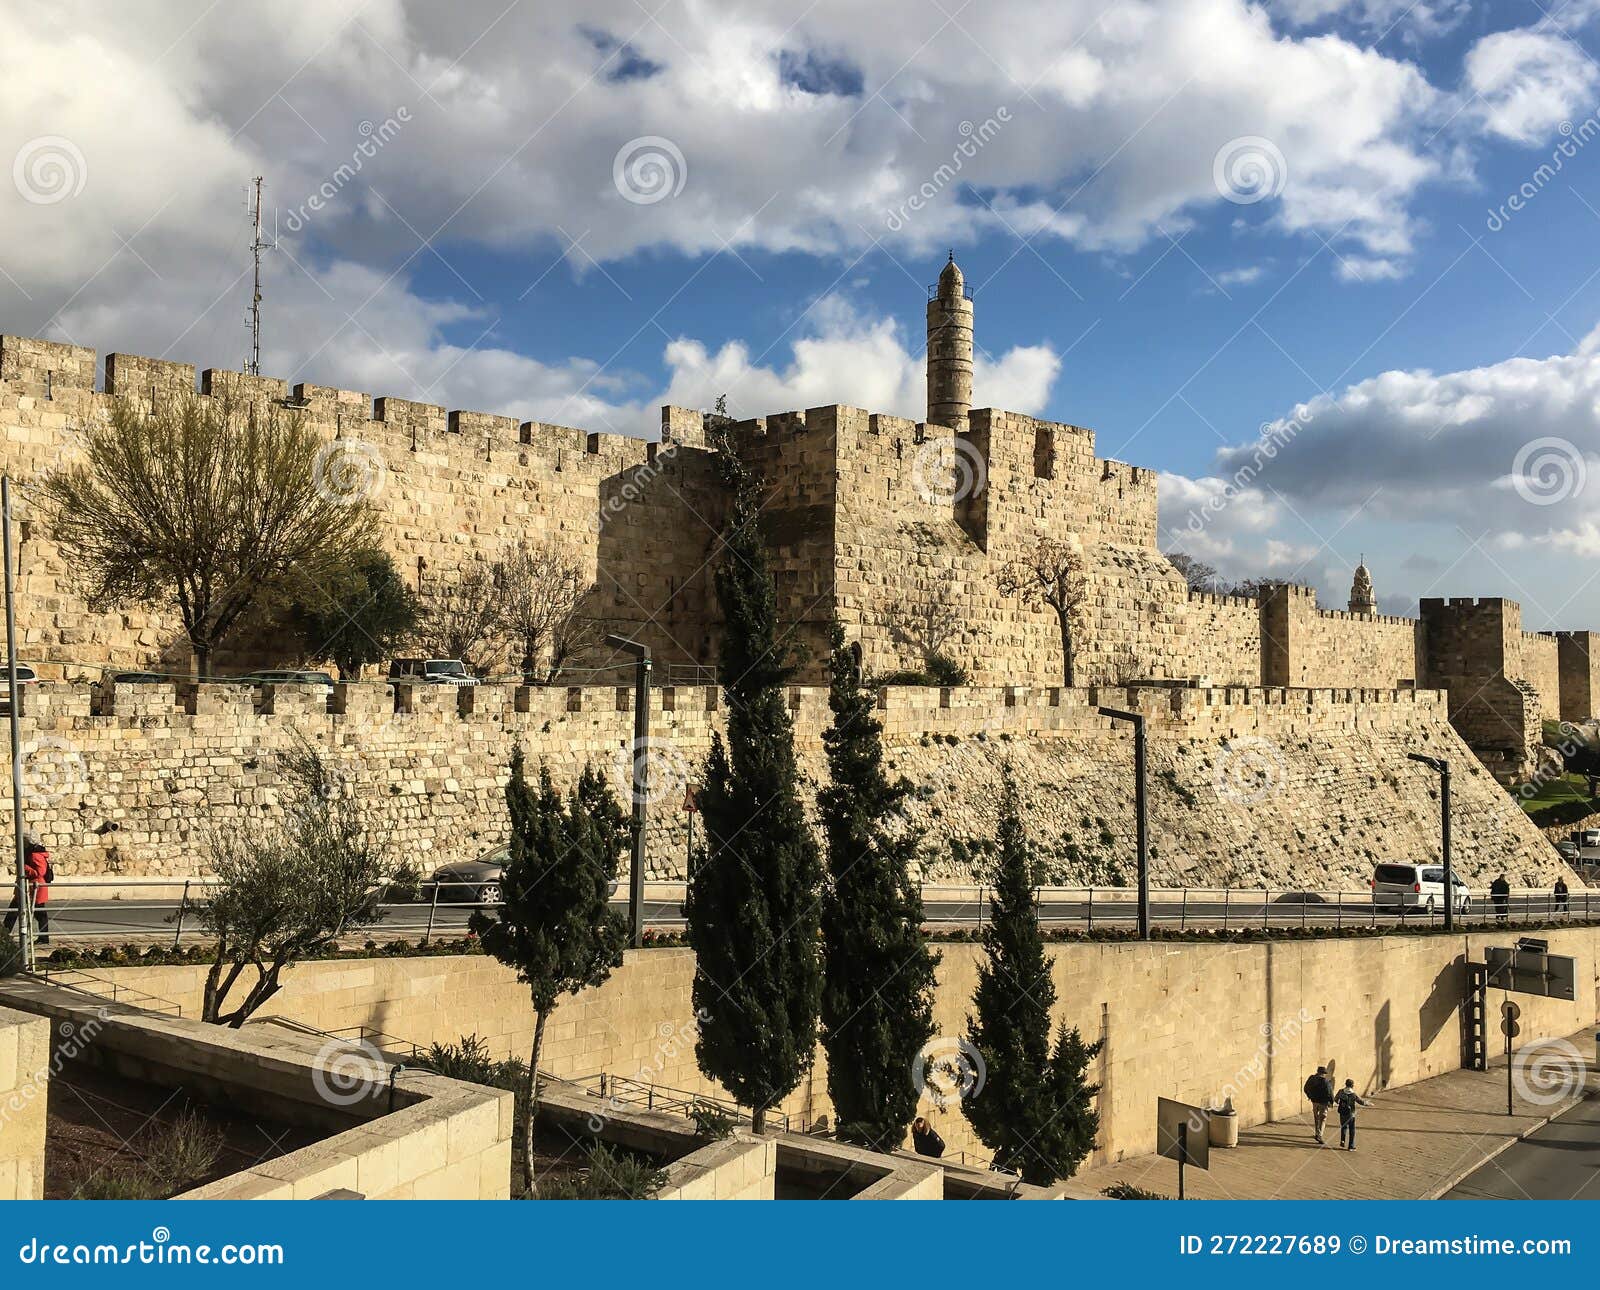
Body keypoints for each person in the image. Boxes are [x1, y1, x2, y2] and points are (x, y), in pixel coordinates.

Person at [3, 835, 51, 945]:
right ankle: (43, 937)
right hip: (28, 888)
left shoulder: (34, 855)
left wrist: (23, 866)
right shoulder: (30, 852)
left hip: (34, 888)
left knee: (38, 914)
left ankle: (4, 935)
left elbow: (40, 872)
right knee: (15, 911)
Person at [1334, 1079, 1371, 1151]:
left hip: (1342, 1112)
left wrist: (1340, 1103)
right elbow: (1361, 1102)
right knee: (1352, 1129)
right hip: (1351, 1114)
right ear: (1352, 1085)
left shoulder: (1341, 1091)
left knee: (1343, 1127)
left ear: (1345, 1084)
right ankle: (1351, 1146)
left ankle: (1342, 1140)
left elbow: (1336, 1099)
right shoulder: (1353, 1094)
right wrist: (1368, 1103)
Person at [1303, 1065, 1335, 1145]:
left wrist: (1310, 1096)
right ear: (1323, 1073)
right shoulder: (1325, 1082)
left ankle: (1317, 1133)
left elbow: (1305, 1088)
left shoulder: (1311, 1078)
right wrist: (1331, 1102)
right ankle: (1319, 1136)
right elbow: (1330, 1093)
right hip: (1323, 1103)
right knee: (1322, 1119)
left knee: (1316, 1118)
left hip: (1314, 1101)